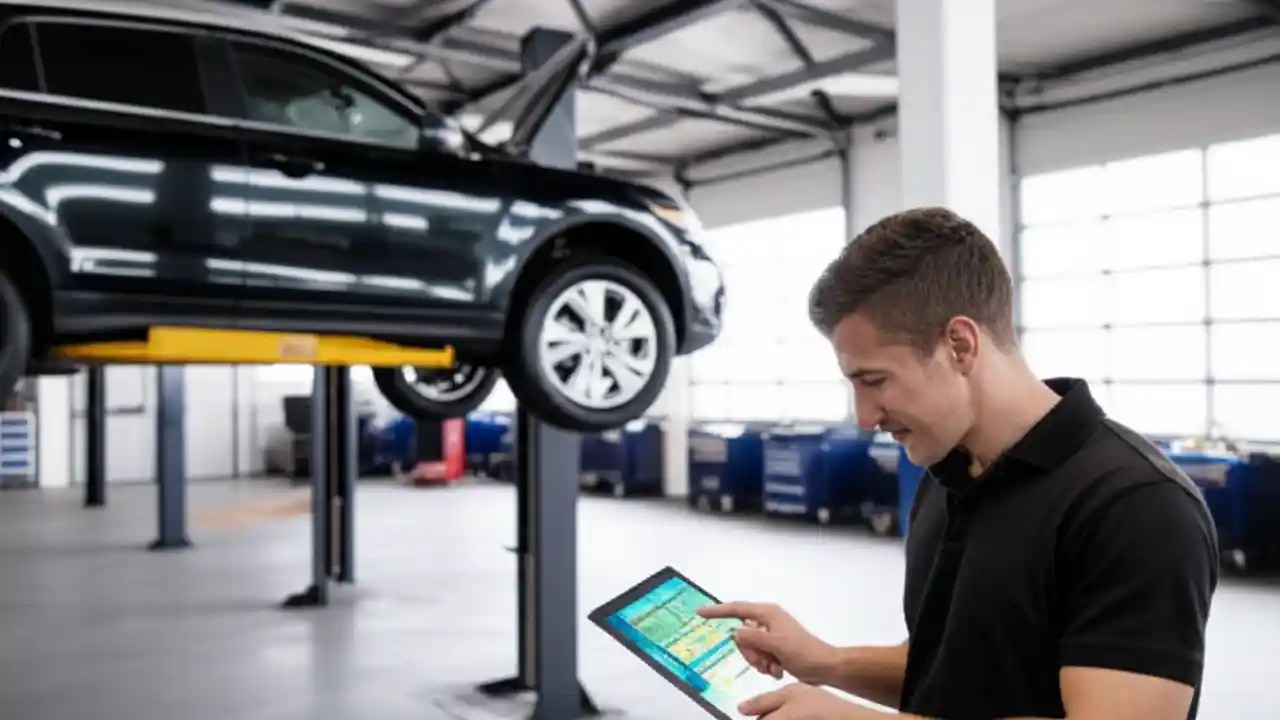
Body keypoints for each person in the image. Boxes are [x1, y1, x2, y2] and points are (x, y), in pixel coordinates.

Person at [699, 207, 1218, 720]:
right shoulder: (947, 476)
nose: (862, 417)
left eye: (874, 381)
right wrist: (827, 662)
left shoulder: (1138, 507)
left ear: (960, 345)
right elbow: (957, 672)